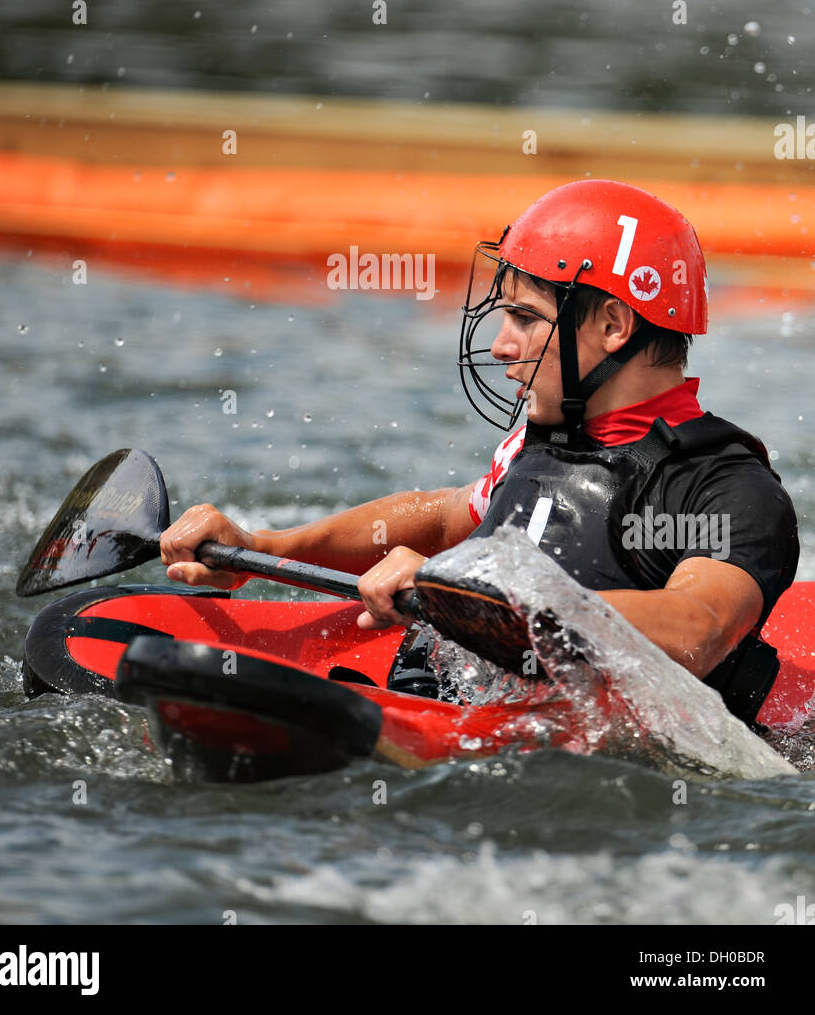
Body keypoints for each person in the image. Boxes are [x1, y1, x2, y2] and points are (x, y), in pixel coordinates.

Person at [160, 179, 799, 725]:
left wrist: (471, 596)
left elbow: (698, 628)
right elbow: (442, 518)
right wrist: (268, 548)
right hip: (465, 707)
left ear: (612, 326)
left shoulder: (727, 487)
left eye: (525, 317)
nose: (499, 345)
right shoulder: (543, 440)